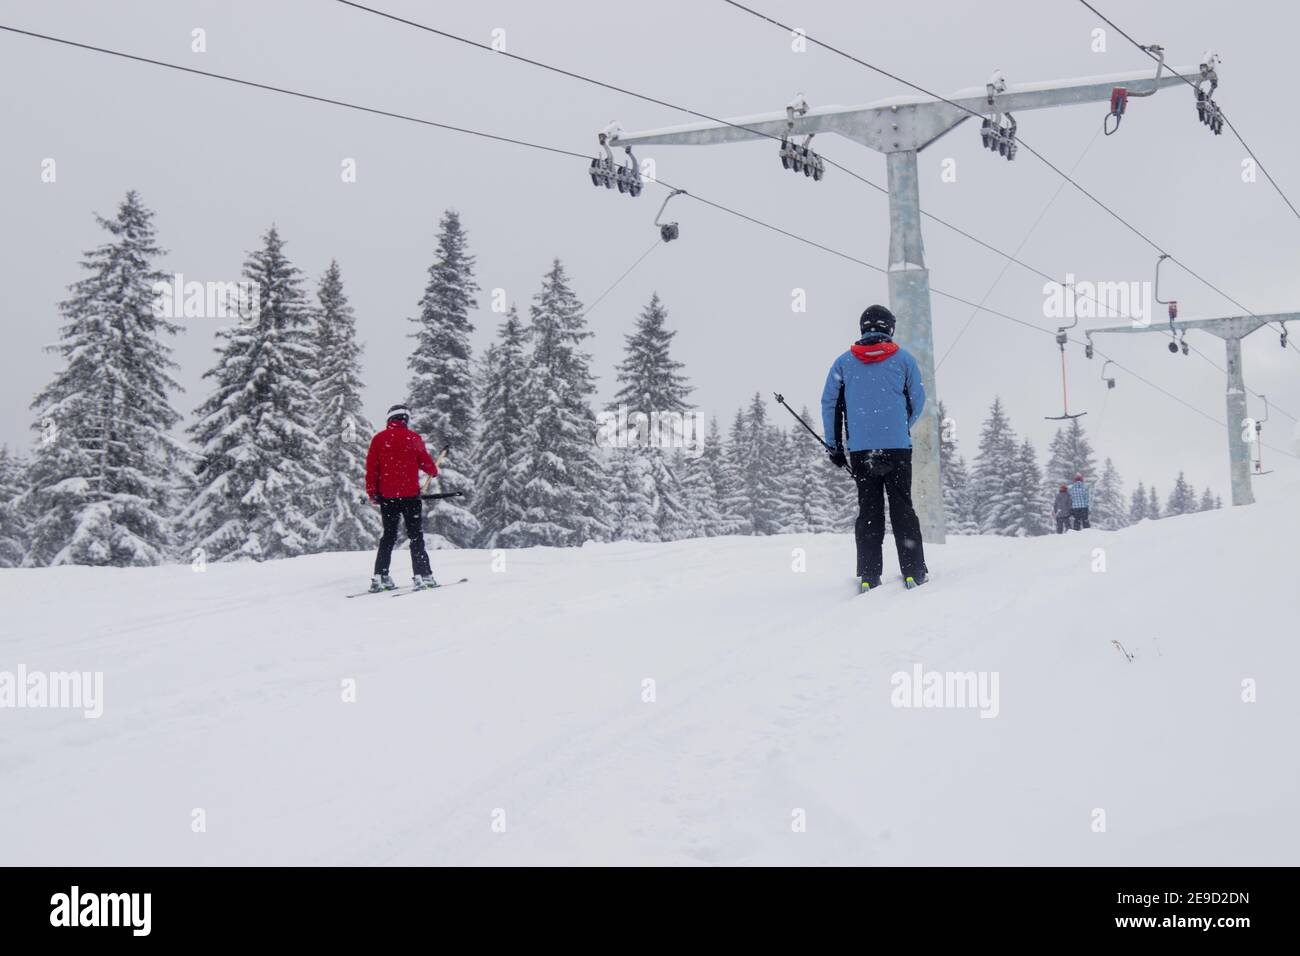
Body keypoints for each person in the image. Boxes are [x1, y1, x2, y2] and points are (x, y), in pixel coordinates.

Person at [821, 304, 929, 594]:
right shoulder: (905, 361)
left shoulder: (843, 363)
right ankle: (914, 572)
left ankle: (869, 575)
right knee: (902, 507)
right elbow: (918, 400)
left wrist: (835, 446)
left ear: (863, 328)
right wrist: (899, 425)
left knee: (869, 510)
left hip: (861, 450)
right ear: (889, 329)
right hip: (897, 447)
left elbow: (830, 405)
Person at [364, 404, 439, 591]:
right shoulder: (413, 438)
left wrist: (373, 493)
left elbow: (371, 470)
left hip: (387, 498)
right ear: (406, 419)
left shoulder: (379, 439)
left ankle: (380, 576)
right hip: (410, 497)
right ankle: (423, 575)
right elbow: (427, 464)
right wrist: (433, 470)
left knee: (388, 536)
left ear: (390, 419)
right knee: (415, 536)